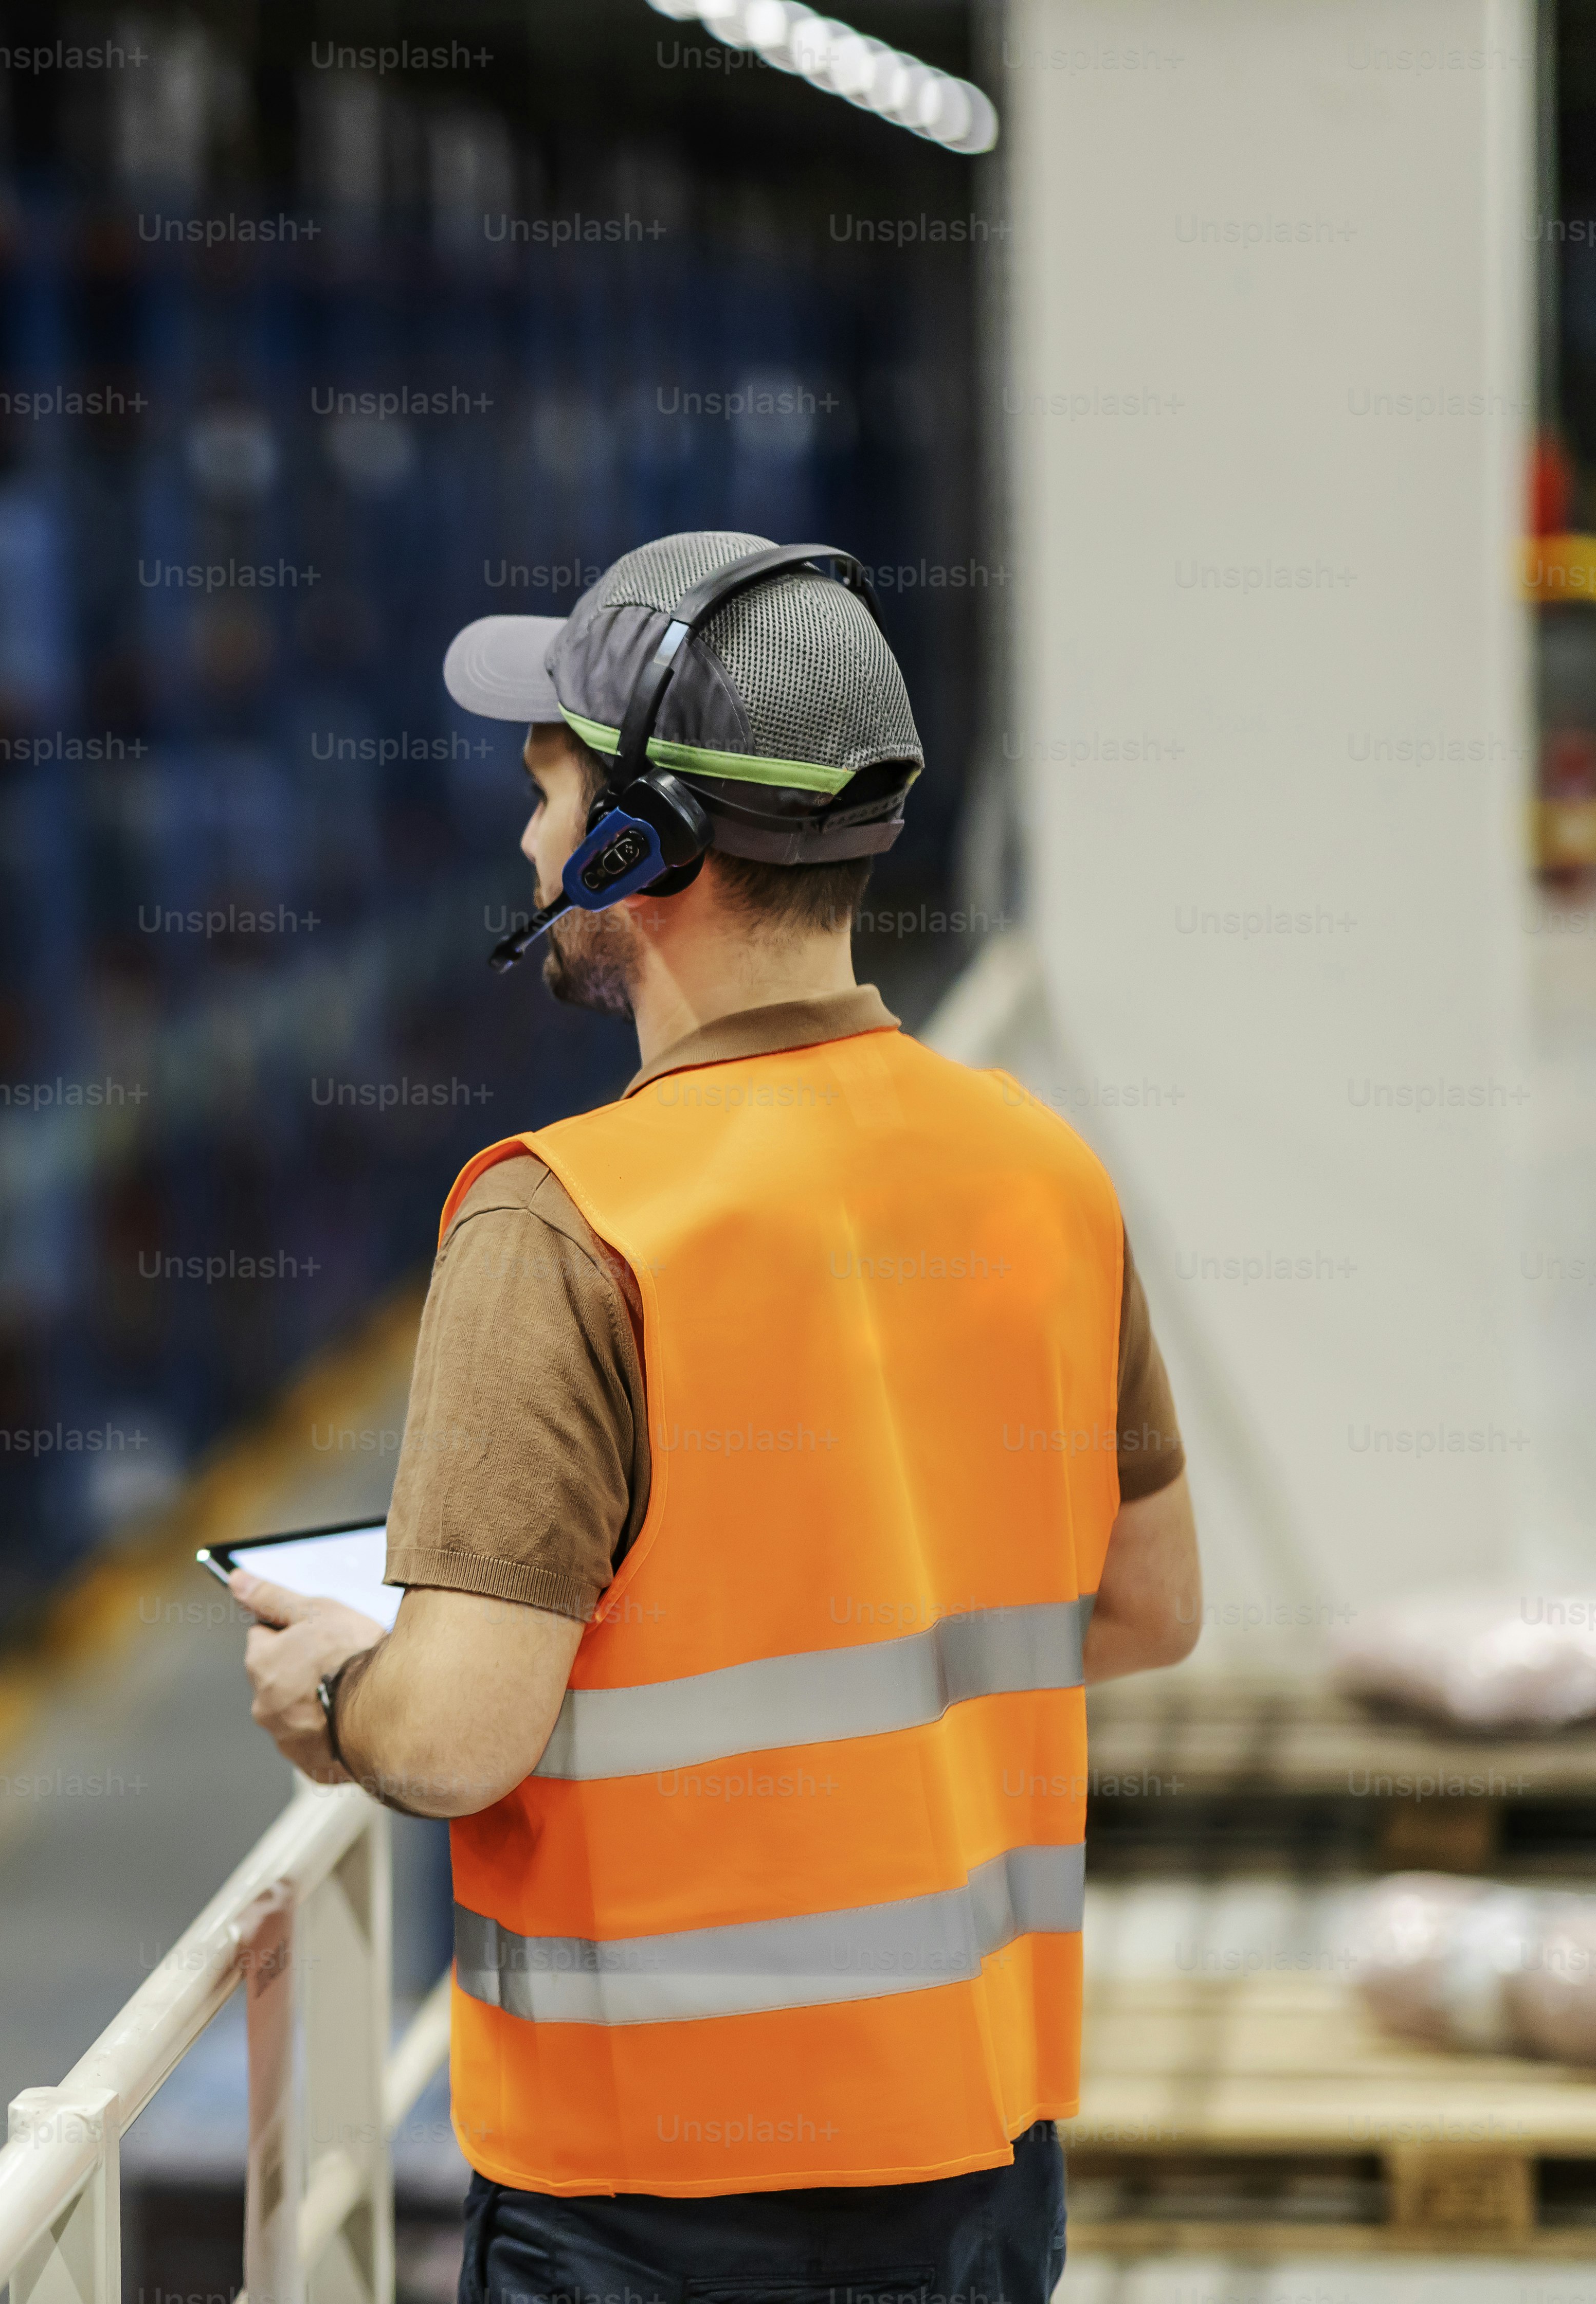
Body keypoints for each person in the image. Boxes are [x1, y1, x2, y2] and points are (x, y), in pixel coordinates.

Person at [232, 532, 1200, 2302]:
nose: (530, 844)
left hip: (652, 2212)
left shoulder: (565, 1219)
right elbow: (1146, 1605)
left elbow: (453, 1743)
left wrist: (337, 1688)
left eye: (549, 795)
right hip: (978, 2178)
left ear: (637, 849)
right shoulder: (1041, 1169)